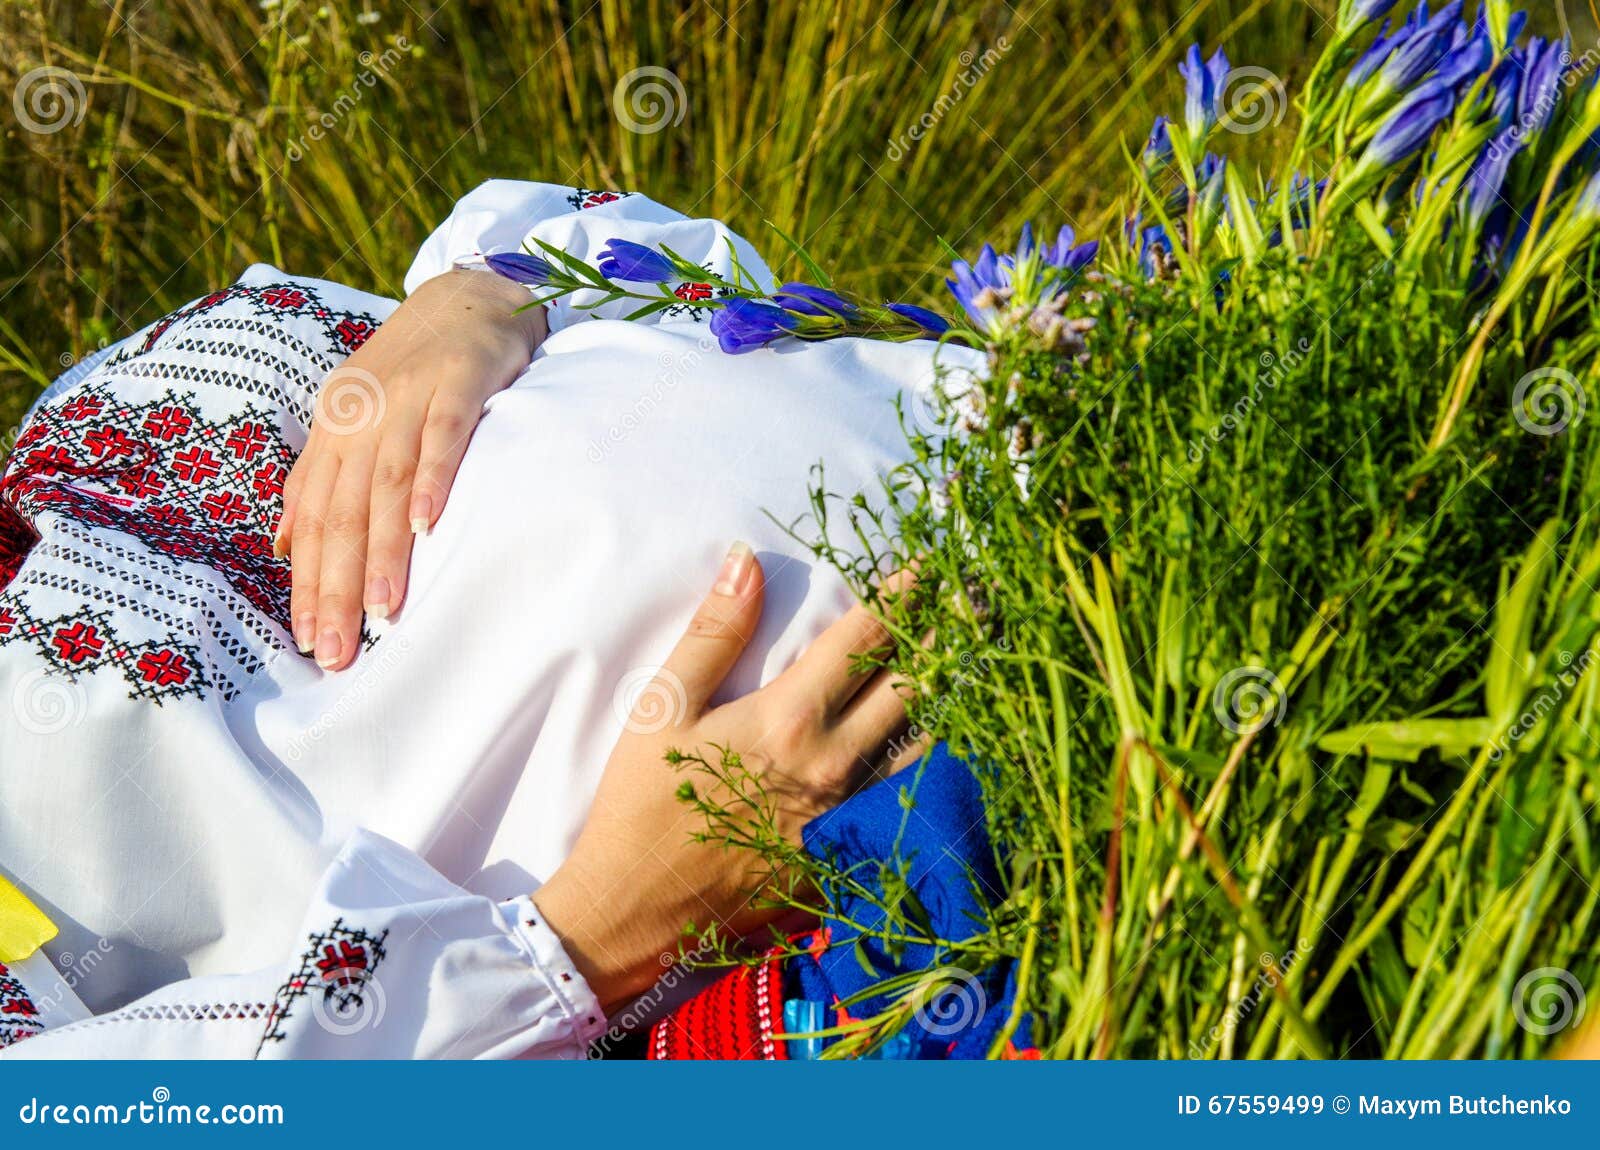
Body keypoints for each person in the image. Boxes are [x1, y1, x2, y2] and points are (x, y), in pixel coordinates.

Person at [0, 182, 977, 1056]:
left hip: (1030, 398)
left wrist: (490, 289)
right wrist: (586, 937)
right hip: (966, 719)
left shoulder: (64, 419)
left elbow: (670, 265)